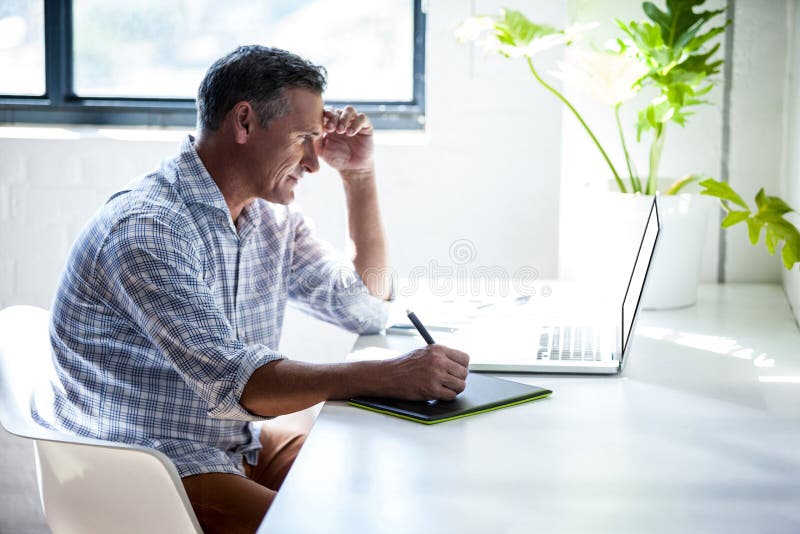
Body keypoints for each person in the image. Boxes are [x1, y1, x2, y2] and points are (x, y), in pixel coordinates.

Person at [38, 45, 470, 533]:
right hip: (146, 464)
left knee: (375, 489)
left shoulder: (269, 219)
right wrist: (384, 375)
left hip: (231, 441)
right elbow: (240, 385)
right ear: (244, 122)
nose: (314, 162)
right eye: (304, 138)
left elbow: (366, 308)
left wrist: (360, 177)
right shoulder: (149, 230)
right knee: (331, 525)